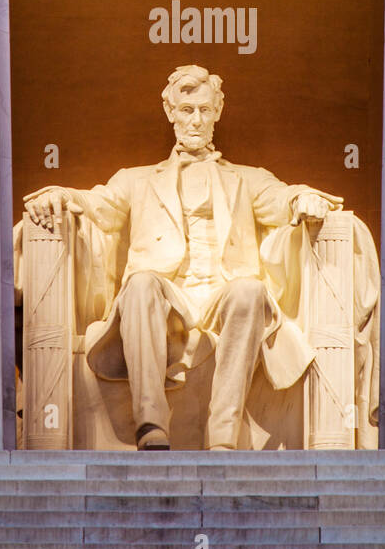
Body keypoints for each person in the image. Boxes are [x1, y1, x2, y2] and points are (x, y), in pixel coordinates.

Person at [24, 65, 341, 450]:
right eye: (187, 110)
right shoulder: (135, 179)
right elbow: (99, 205)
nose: (196, 120)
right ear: (170, 111)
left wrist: (302, 198)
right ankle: (151, 426)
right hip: (165, 296)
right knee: (139, 284)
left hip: (222, 295)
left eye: (205, 110)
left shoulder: (249, 177)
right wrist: (63, 195)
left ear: (218, 111)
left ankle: (223, 435)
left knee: (250, 291)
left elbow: (280, 199)